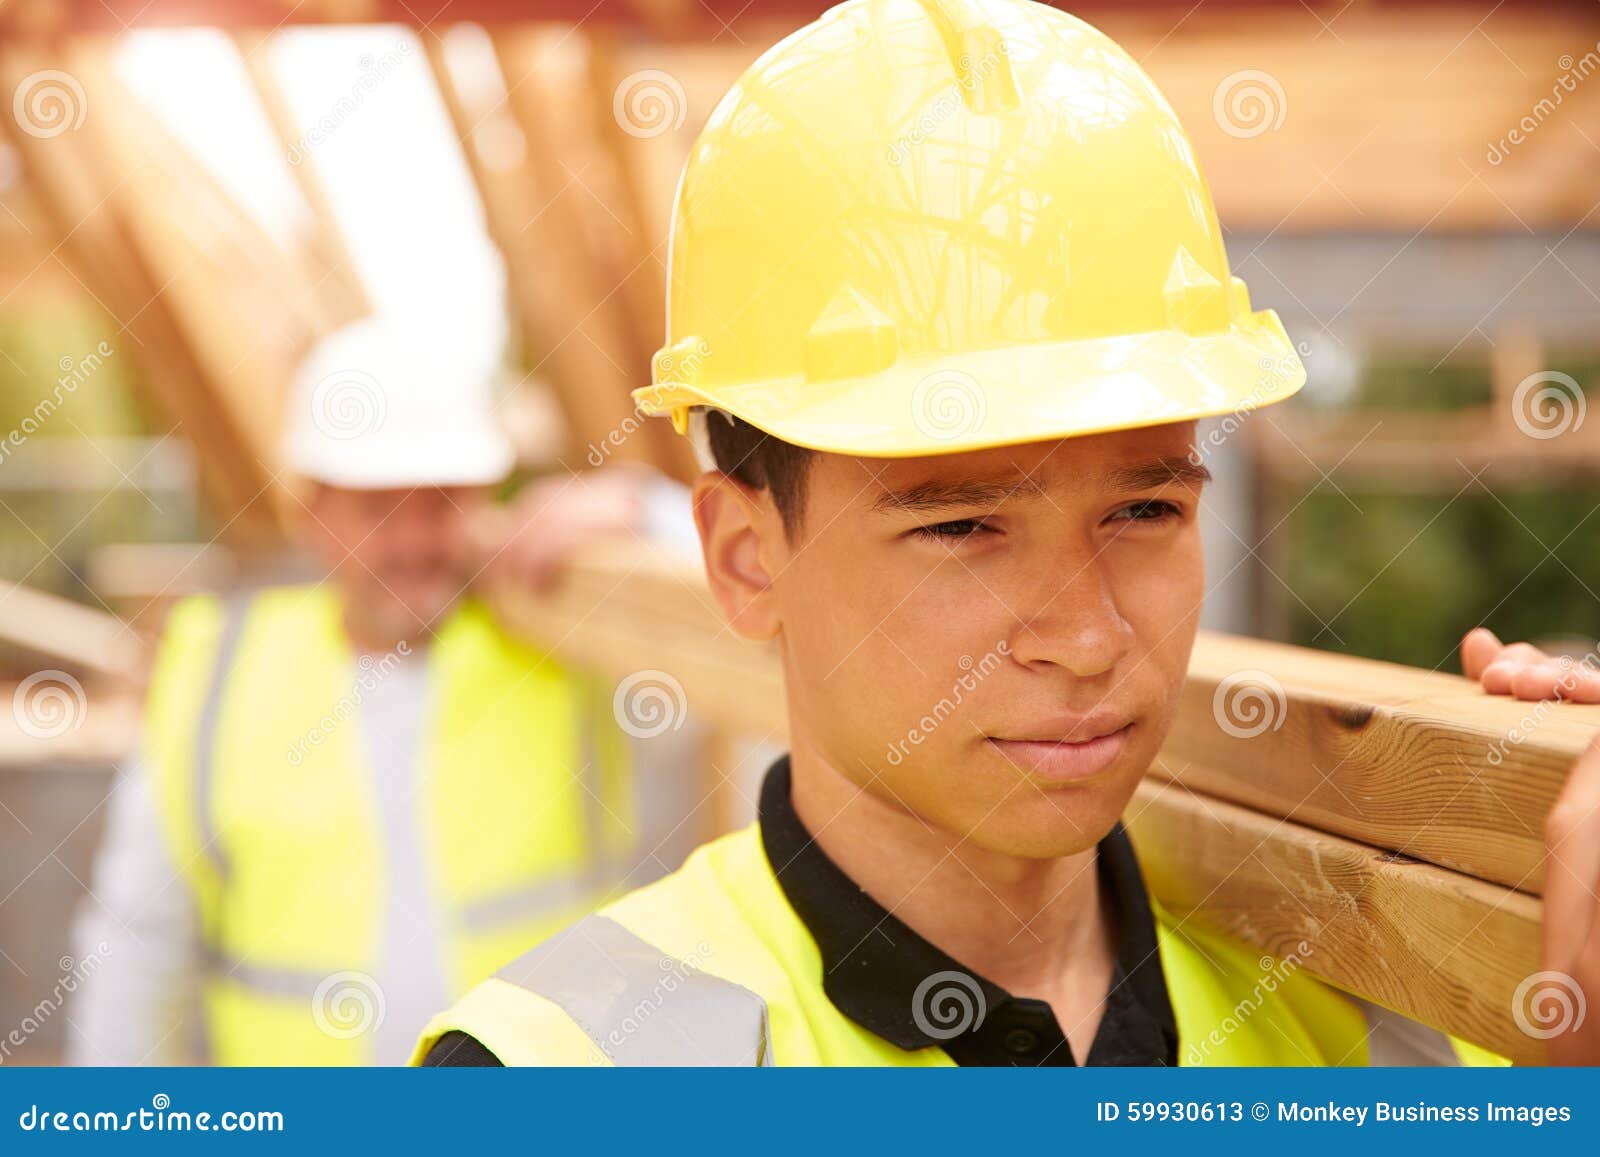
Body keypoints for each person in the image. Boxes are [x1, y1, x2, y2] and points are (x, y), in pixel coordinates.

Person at [413, 0, 1599, 1067]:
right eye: (965, 525)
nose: (1086, 637)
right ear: (742, 557)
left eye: (1143, 510)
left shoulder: (1394, 1017)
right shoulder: (563, 1075)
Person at [68, 318, 681, 1065]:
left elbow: (770, 612)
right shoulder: (222, 669)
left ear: (487, 495)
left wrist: (651, 511)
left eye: (441, 500)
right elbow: (140, 943)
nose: (414, 539)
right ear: (312, 512)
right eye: (379, 506)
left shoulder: (560, 642)